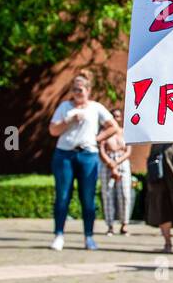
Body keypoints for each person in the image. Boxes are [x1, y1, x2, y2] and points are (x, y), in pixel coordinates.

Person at [48, 72, 118, 251]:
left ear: (88, 90)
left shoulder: (95, 108)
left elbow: (113, 127)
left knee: (88, 198)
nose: (77, 93)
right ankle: (59, 235)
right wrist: (68, 120)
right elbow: (53, 130)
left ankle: (89, 236)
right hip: (65, 155)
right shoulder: (65, 107)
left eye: (80, 89)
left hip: (87, 155)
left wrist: (97, 138)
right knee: (63, 196)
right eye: (74, 90)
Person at [98, 107, 133, 235]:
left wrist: (117, 163)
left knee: (125, 195)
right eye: (114, 116)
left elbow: (128, 151)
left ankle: (124, 224)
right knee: (107, 195)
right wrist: (110, 164)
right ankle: (110, 226)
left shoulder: (125, 132)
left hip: (122, 161)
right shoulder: (104, 132)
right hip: (107, 161)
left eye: (118, 116)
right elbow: (101, 149)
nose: (116, 118)